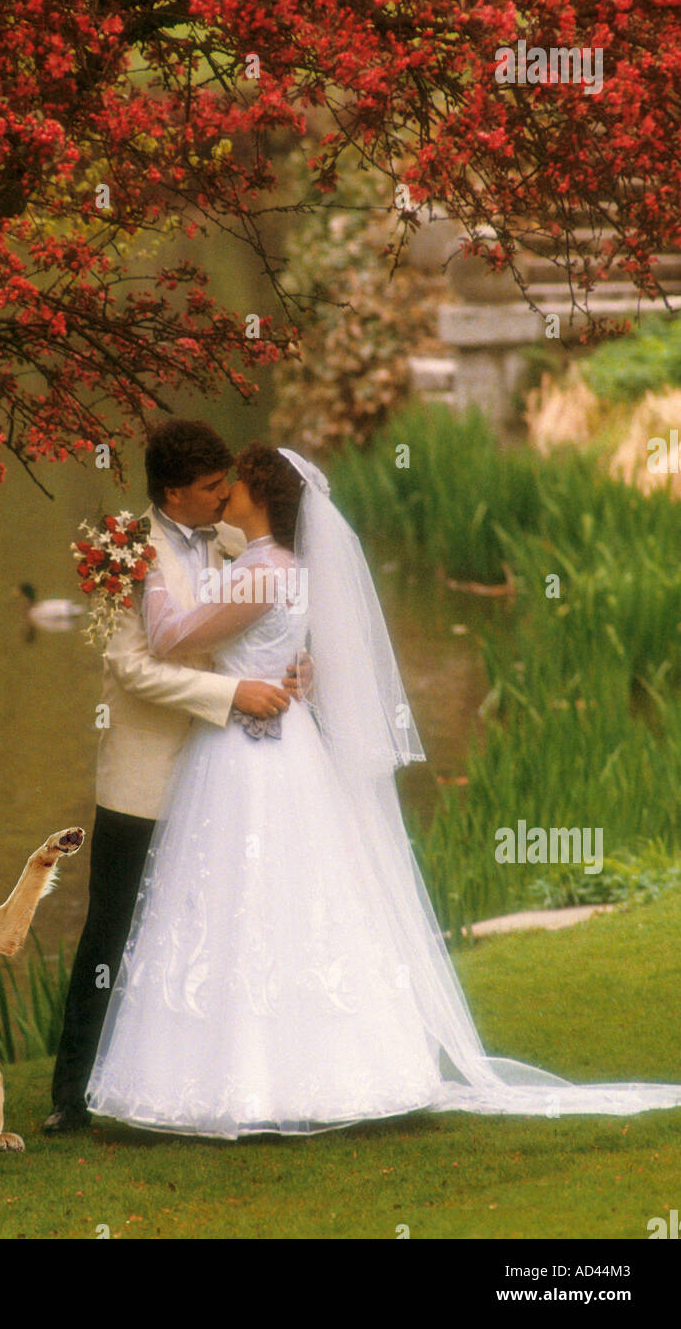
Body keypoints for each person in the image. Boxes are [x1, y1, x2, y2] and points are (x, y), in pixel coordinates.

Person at [86, 442, 681, 1138]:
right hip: (264, 739)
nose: (226, 495)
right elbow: (266, 647)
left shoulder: (265, 568)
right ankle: (282, 1071)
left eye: (237, 483)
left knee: (248, 902)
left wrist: (137, 564)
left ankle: (254, 1080)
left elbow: (168, 634)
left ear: (263, 495)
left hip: (251, 754)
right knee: (267, 903)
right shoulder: (268, 563)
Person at [44, 421, 304, 1132]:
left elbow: (258, 629)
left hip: (227, 777)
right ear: (173, 494)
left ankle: (198, 1083)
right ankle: (72, 1097)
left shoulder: (233, 542)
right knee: (112, 927)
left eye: (229, 485)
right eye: (214, 488)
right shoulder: (124, 548)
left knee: (208, 929)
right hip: (148, 771)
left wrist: (289, 671)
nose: (227, 497)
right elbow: (132, 666)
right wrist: (229, 697)